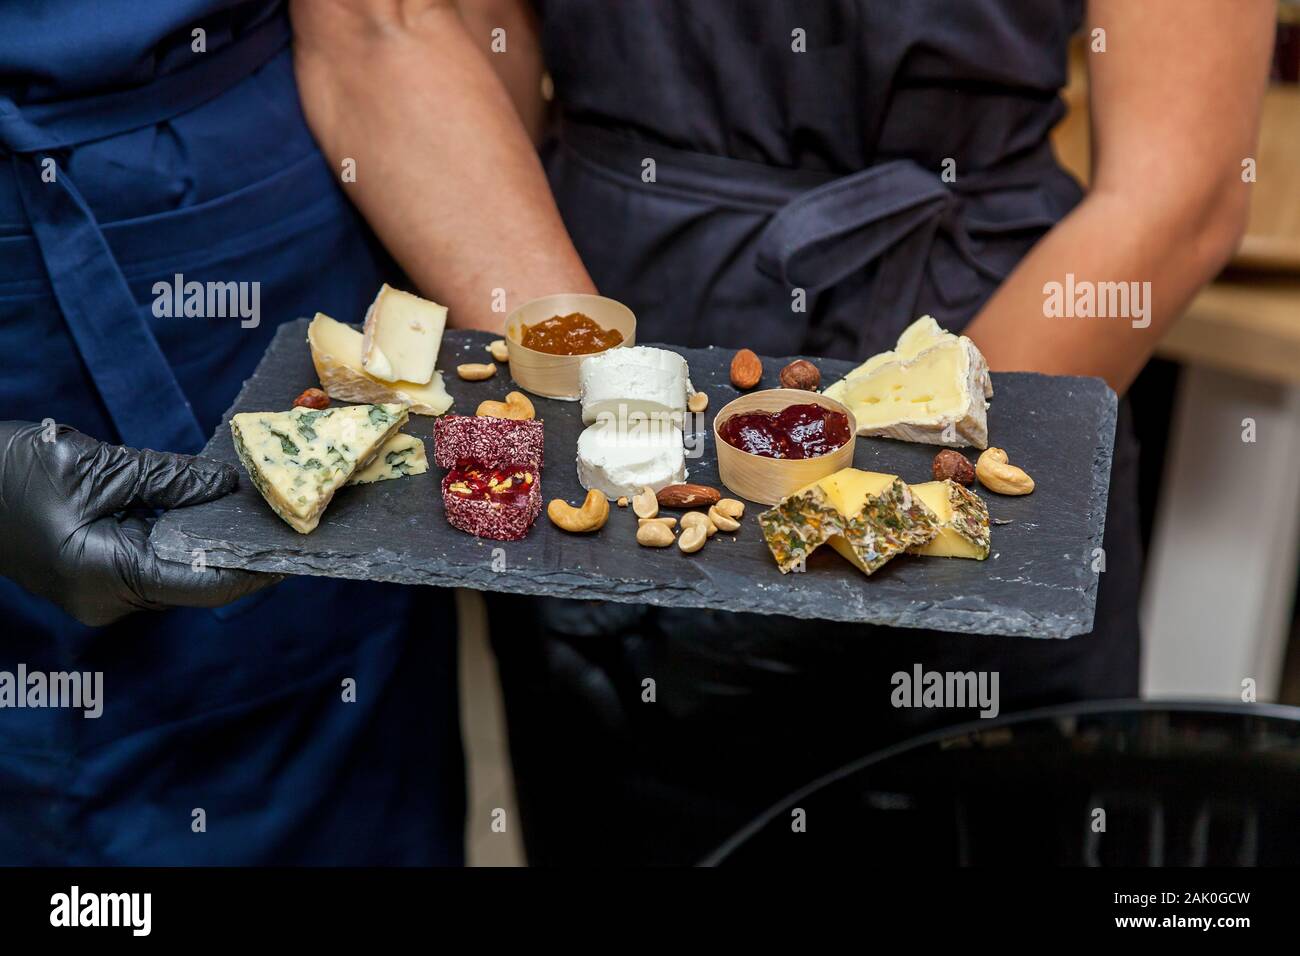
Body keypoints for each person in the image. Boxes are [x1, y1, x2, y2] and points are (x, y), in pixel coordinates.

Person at [293, 0, 1273, 864]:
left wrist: (876, 520)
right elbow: (399, 24)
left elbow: (1177, 188)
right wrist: (601, 397)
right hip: (606, 348)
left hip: (1009, 366)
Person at [0, 2, 464, 864]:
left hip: (279, 215)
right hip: (23, 301)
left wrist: (613, 399)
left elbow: (380, 23)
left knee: (354, 739)